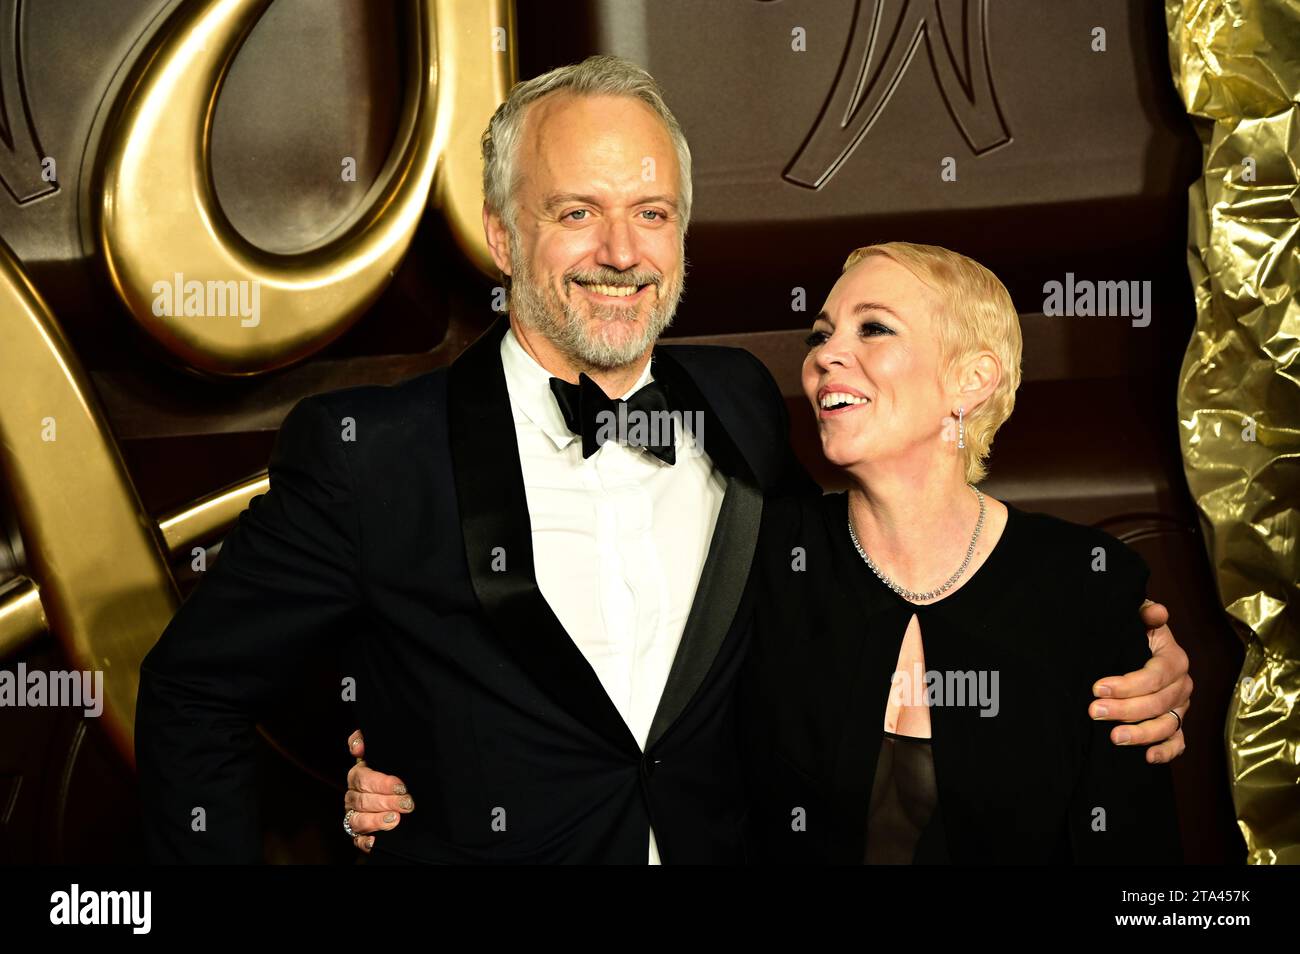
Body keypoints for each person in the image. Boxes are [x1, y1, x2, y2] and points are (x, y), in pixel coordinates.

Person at [136, 56, 1190, 865]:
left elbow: (887, 618)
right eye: (575, 212)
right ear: (503, 235)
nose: (621, 251)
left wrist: (1130, 668)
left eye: (651, 213)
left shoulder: (737, 405)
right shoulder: (373, 452)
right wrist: (355, 767)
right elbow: (197, 689)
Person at [739, 242, 1183, 863]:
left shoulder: (1083, 583)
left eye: (873, 328)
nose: (824, 358)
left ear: (970, 380)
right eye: (820, 336)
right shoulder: (762, 551)